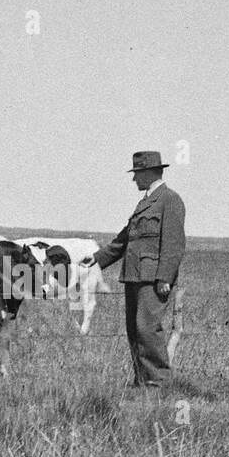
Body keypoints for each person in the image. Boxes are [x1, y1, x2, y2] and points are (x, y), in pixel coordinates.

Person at [90, 150, 186, 389]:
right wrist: (96, 260)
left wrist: (165, 277)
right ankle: (141, 381)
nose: (134, 179)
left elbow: (174, 244)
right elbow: (124, 240)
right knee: (134, 329)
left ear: (149, 172)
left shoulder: (170, 200)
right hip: (134, 275)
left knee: (147, 329)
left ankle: (158, 384)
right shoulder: (145, 202)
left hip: (153, 279)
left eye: (137, 174)